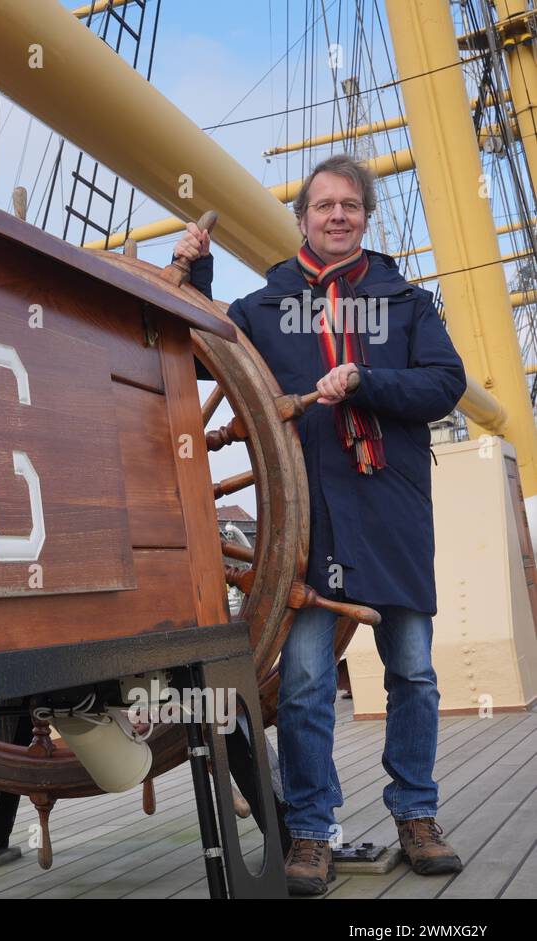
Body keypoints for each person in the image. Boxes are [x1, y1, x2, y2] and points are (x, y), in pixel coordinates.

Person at [174, 153, 468, 896]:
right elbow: (209, 357)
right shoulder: (266, 307)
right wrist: (199, 278)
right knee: (305, 682)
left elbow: (444, 382)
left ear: (366, 218)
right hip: (311, 518)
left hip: (392, 507)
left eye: (352, 207)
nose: (338, 215)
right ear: (302, 218)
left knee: (413, 673)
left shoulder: (406, 302)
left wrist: (367, 381)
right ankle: (310, 828)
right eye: (324, 206)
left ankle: (417, 813)